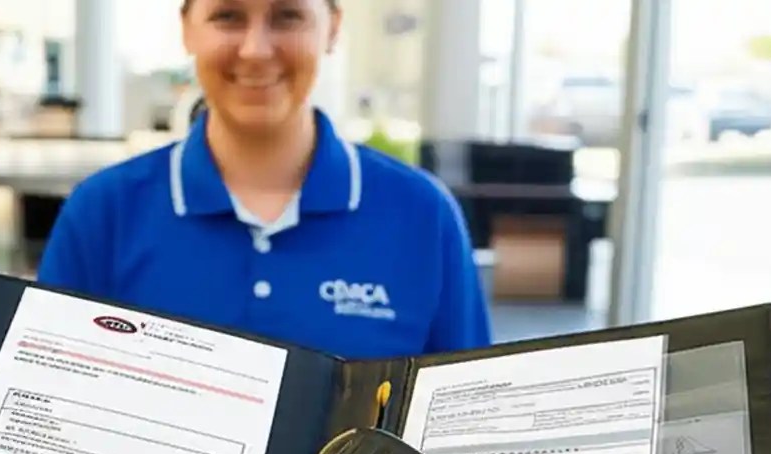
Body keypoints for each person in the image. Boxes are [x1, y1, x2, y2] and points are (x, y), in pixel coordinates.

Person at [37, 0, 491, 359]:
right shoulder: (103, 213)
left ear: (332, 27)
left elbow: (464, 422)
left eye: (287, 15)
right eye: (228, 16)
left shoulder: (422, 214)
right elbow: (44, 403)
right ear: (188, 29)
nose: (256, 49)